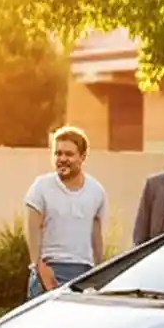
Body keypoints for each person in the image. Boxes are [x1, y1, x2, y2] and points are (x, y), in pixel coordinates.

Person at [23, 125, 108, 299]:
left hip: (83, 271)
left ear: (82, 156)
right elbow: (33, 230)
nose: (62, 159)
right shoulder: (41, 186)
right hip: (48, 268)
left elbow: (96, 236)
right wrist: (39, 266)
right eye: (57, 153)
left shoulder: (96, 191)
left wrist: (99, 273)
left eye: (68, 154)